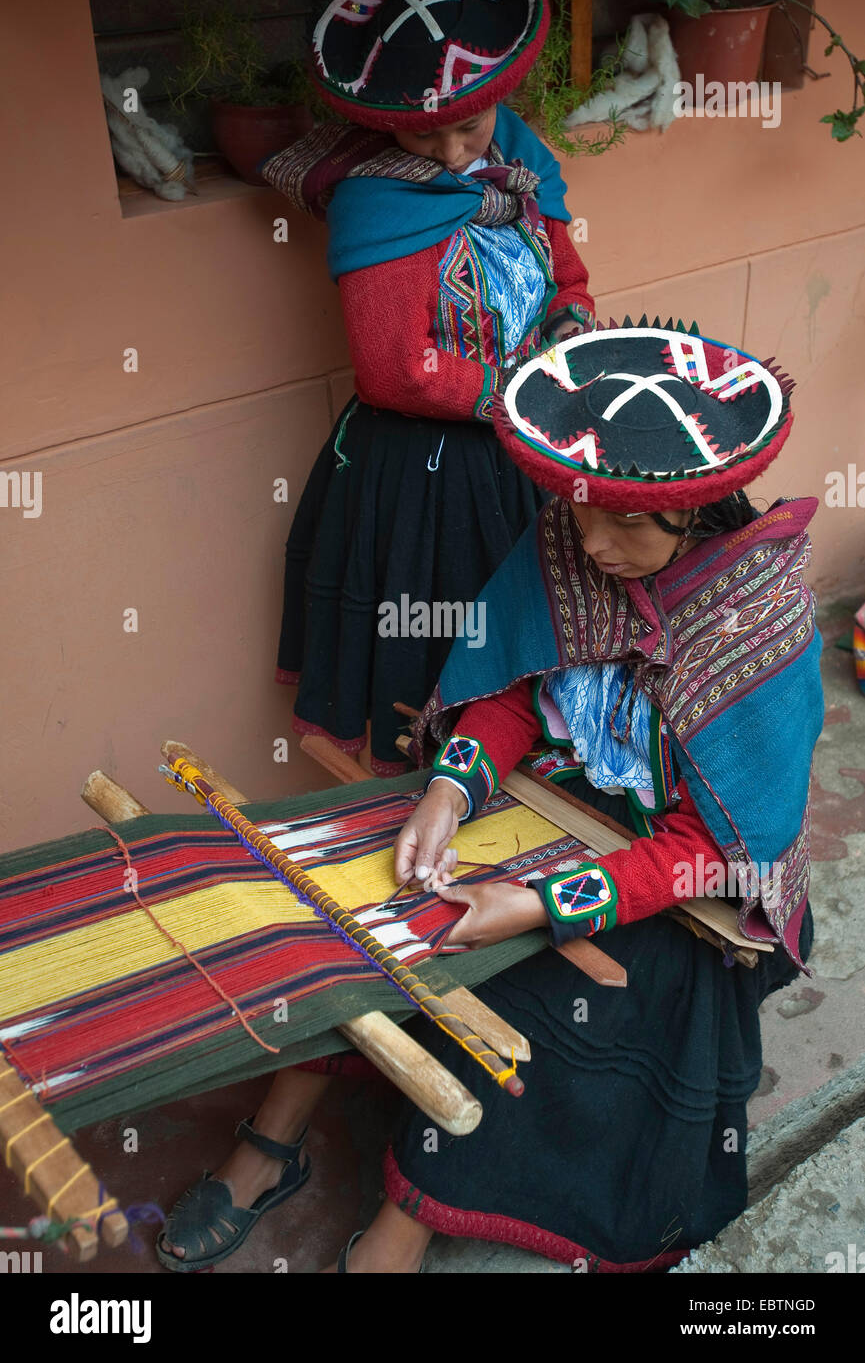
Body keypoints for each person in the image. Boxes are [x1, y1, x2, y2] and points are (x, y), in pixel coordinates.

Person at [158, 321, 823, 1273]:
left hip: (682, 887)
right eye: (578, 511)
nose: (591, 543)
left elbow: (715, 847)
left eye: (626, 523)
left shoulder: (760, 614)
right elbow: (512, 689)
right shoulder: (571, 531)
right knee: (366, 906)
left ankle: (404, 1222)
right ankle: (270, 1137)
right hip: (543, 806)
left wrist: (539, 902)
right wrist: (448, 788)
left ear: (698, 505)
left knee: (541, 991)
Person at [260, 0, 594, 774]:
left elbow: (570, 278)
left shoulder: (518, 160)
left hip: (529, 445)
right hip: (428, 475)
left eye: (469, 126)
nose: (451, 152)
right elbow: (394, 372)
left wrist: (569, 330)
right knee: (441, 641)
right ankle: (433, 812)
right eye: (424, 138)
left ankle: (526, 800)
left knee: (538, 649)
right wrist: (519, 398)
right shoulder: (377, 201)